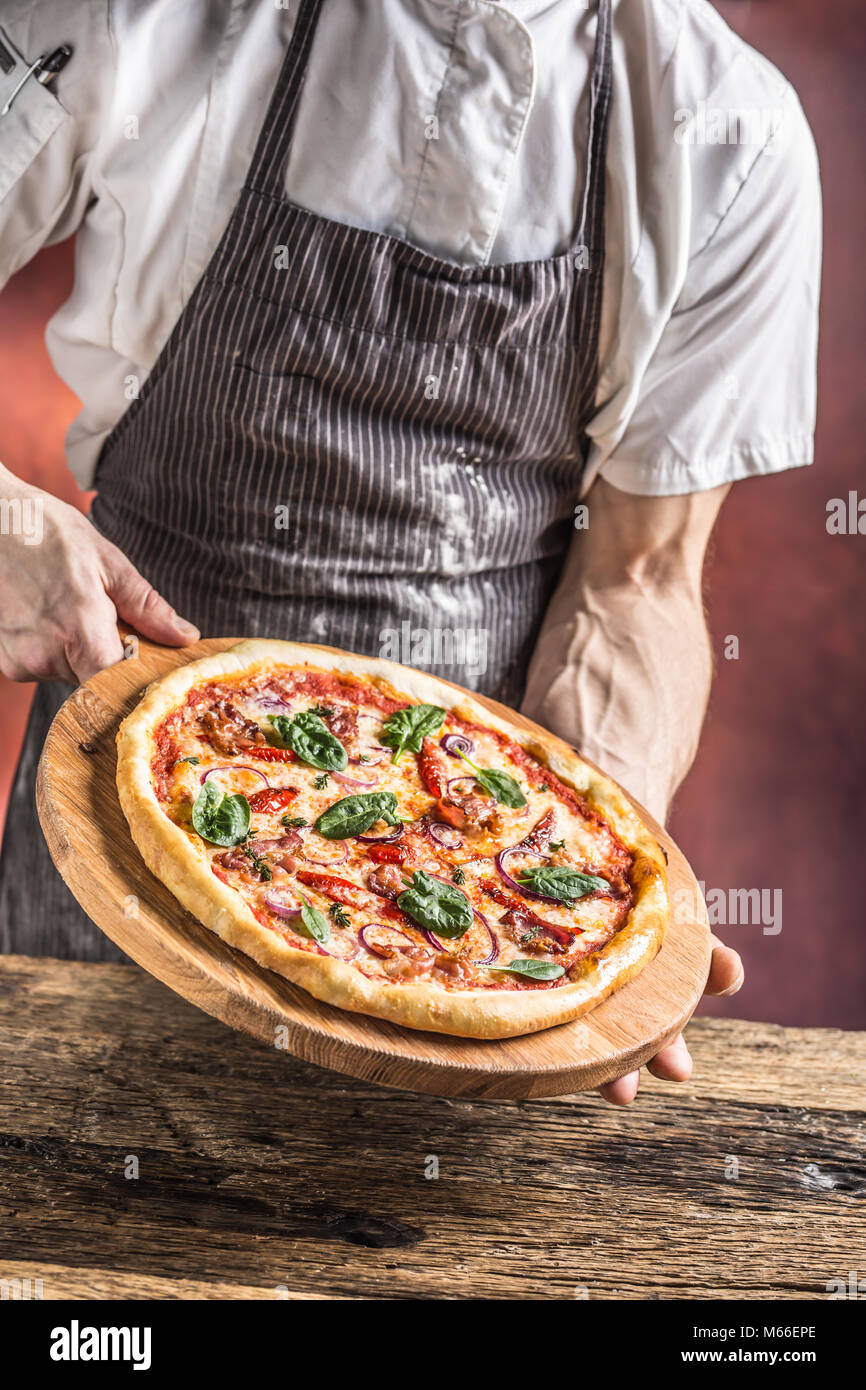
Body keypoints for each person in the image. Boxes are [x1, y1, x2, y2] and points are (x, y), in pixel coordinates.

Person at [0, 0, 820, 1104]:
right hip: (118, 804)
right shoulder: (134, 15)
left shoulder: (727, 135)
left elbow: (636, 579)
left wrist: (573, 885)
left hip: (462, 930)